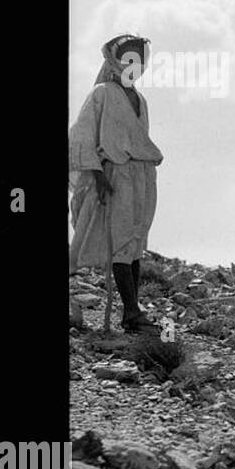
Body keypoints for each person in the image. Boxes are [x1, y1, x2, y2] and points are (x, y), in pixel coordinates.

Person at [68, 34, 164, 334]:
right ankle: (133, 312)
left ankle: (131, 314)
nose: (135, 65)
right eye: (128, 59)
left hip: (143, 176)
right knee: (121, 242)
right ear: (115, 60)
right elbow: (82, 136)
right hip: (116, 175)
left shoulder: (140, 99)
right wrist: (97, 175)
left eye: (139, 59)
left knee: (135, 243)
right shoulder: (103, 93)